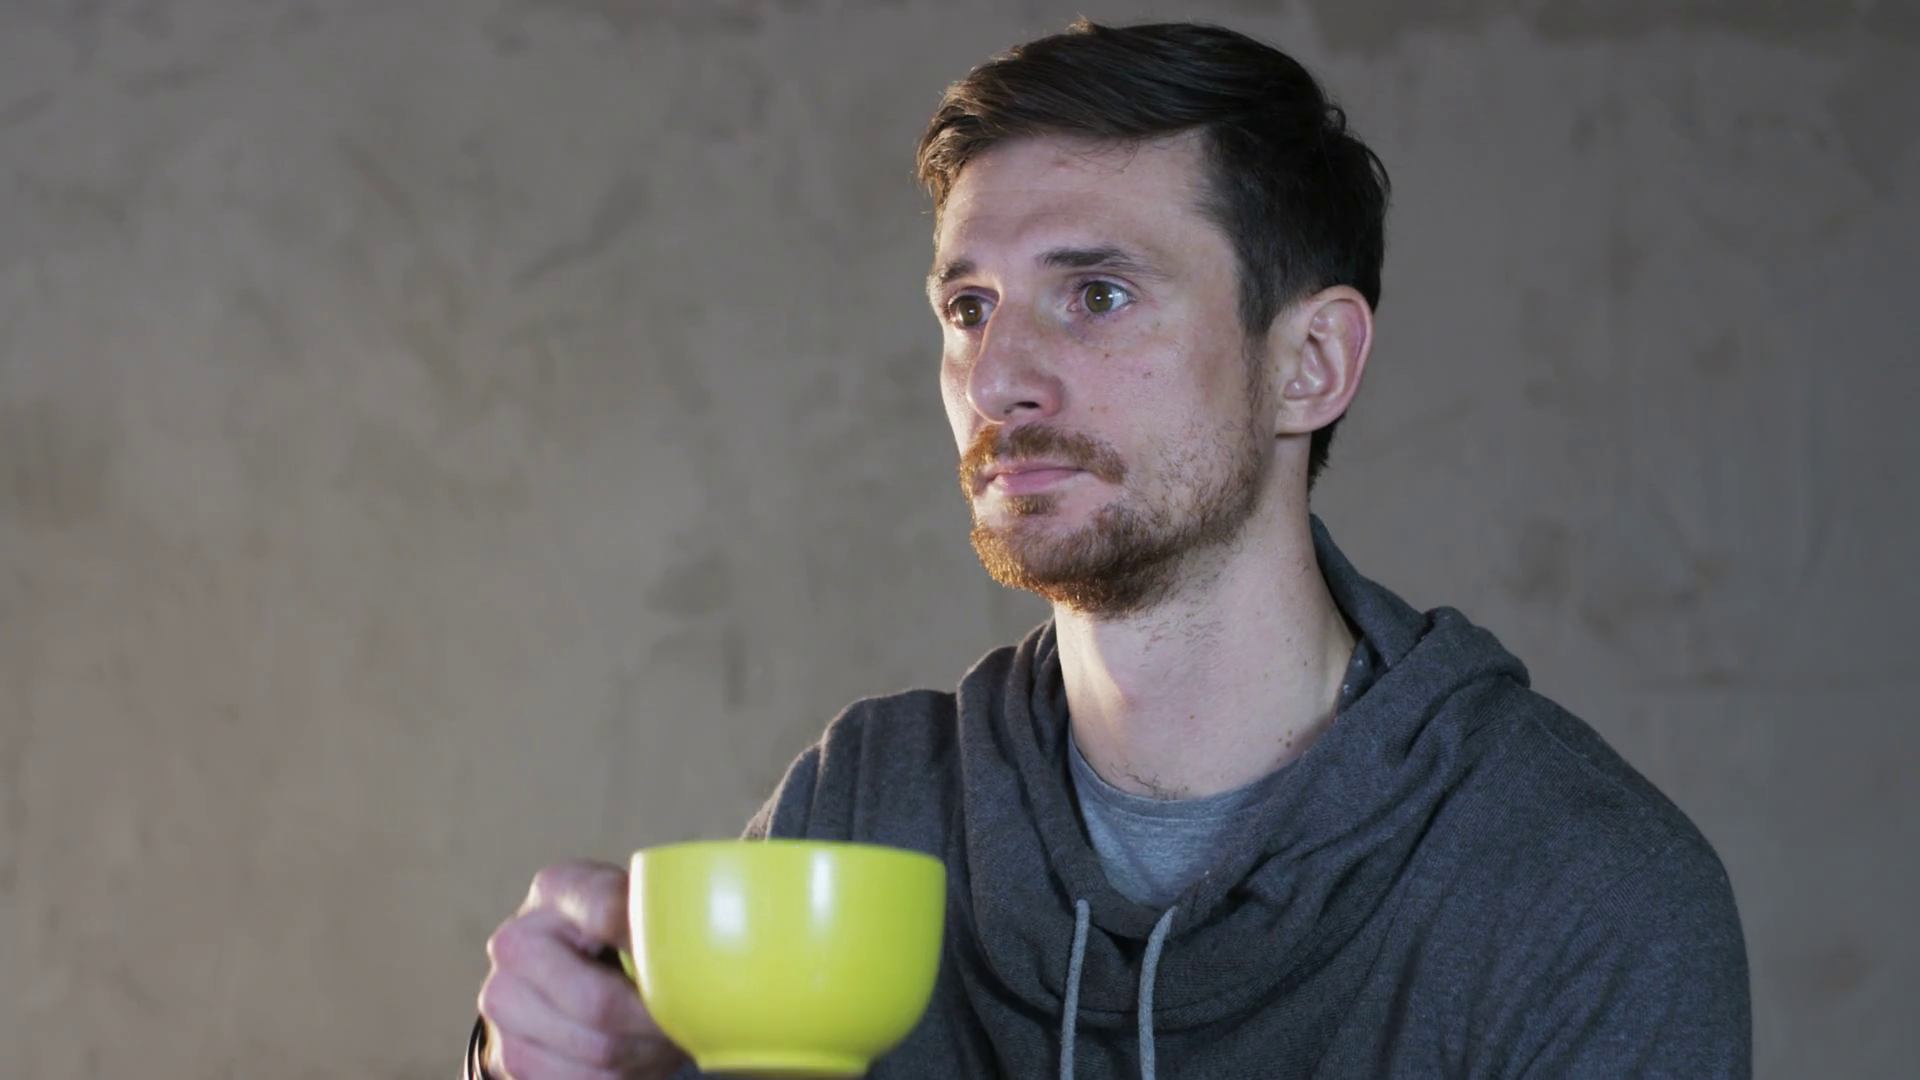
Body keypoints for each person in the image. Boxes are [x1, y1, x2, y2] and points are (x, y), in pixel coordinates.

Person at [467, 19, 1751, 1080]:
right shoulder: (871, 806)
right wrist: (546, 1057)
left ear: (1310, 362)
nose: (1002, 377)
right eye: (969, 308)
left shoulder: (1582, 892)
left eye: (1098, 294)